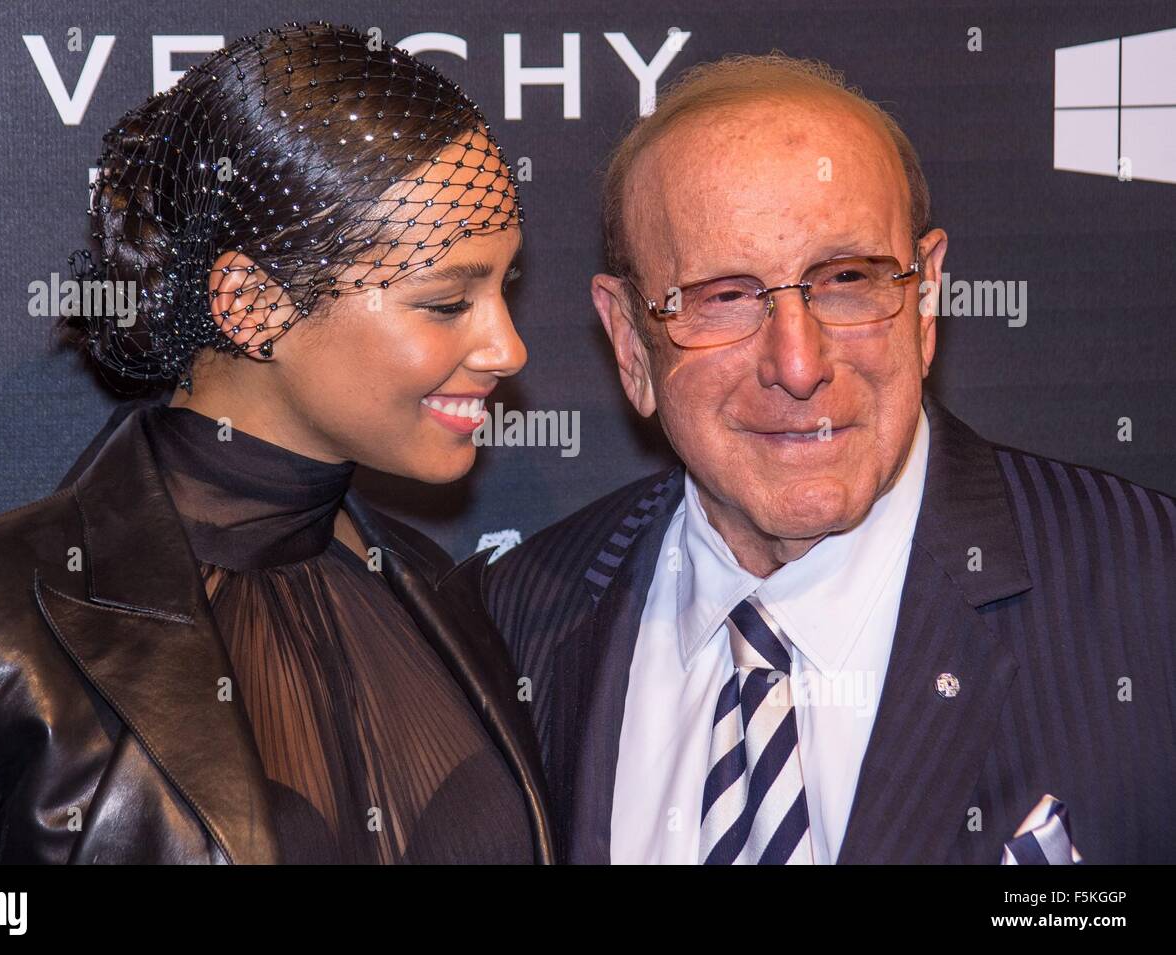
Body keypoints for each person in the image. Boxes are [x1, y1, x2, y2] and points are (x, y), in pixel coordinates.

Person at [464, 53, 1176, 864]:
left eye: (846, 279)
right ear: (630, 341)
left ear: (926, 297)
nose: (798, 365)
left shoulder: (1148, 596)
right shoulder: (509, 630)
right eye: (724, 296)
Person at [0, 22, 554, 864]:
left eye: (504, 288)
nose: (508, 349)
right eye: (448, 302)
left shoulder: (441, 593)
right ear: (252, 305)